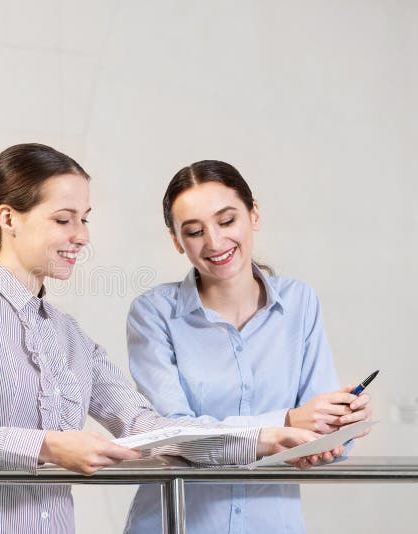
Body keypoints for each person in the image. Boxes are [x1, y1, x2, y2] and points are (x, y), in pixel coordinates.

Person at [0, 145, 338, 534]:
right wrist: (47, 446)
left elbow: (150, 428)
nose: (82, 236)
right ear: (9, 218)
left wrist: (264, 438)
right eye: (63, 219)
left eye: (84, 219)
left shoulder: (69, 335)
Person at [124, 160, 372, 534]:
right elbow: (173, 435)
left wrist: (338, 424)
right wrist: (286, 422)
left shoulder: (300, 302)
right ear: (177, 241)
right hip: (178, 523)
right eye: (194, 231)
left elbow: (317, 433)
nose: (214, 242)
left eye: (227, 221)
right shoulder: (154, 312)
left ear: (253, 215)